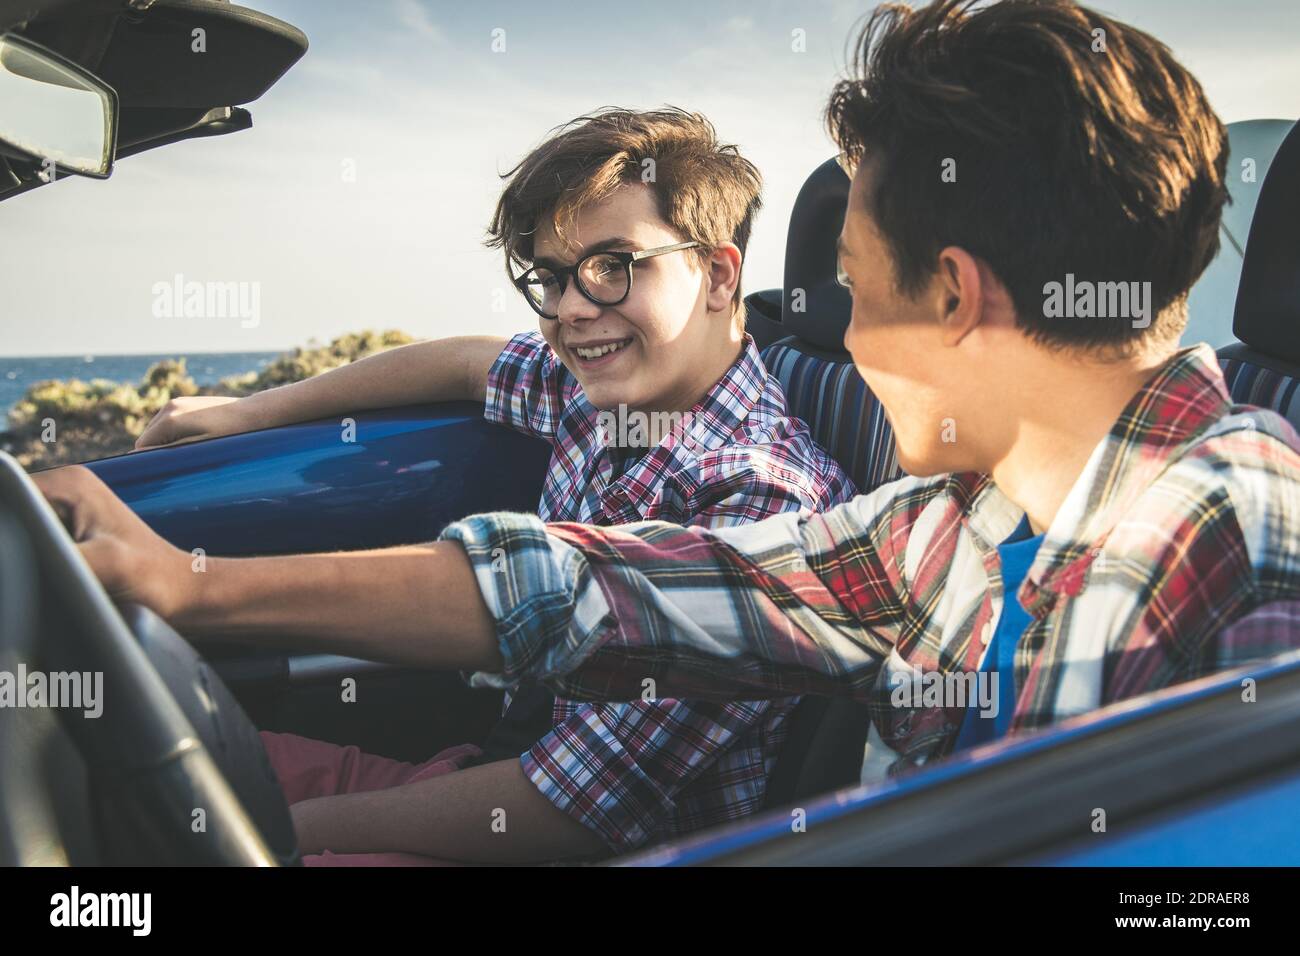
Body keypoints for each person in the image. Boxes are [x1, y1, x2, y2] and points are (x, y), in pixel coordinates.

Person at [39, 0, 1300, 852]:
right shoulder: (951, 524)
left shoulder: (1251, 532)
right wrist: (187, 584)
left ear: (957, 296)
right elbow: (590, 586)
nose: (839, 340)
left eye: (852, 290)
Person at [98, 107, 854, 863]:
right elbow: (467, 362)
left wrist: (276, 839)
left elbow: (572, 811)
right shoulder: (606, 387)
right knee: (113, 760)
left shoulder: (761, 502)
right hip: (491, 772)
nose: (572, 310)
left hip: (562, 842)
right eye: (553, 279)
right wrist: (247, 413)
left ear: (718, 275)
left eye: (614, 265)